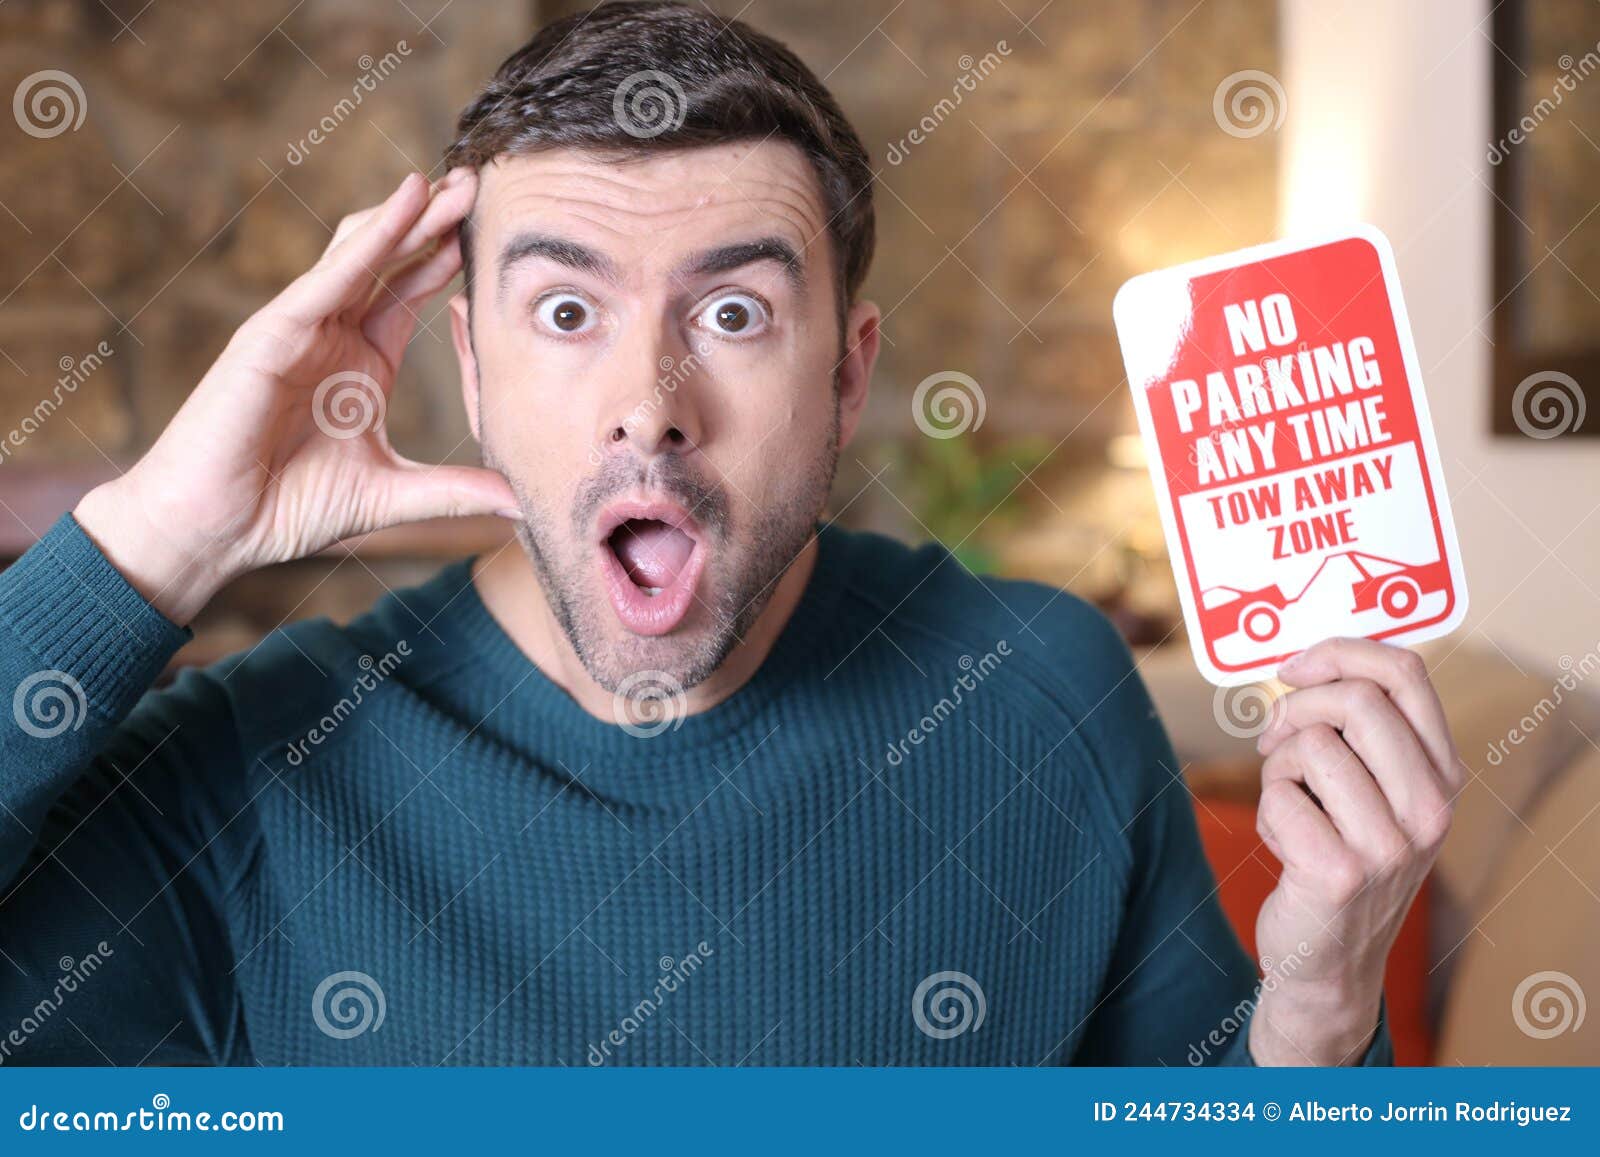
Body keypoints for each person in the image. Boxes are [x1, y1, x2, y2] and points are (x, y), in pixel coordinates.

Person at [0, 1, 1457, 1066]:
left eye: (735, 312)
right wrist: (149, 540)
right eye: (567, 313)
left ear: (848, 373)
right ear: (475, 370)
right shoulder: (257, 771)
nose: (650, 405)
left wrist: (1322, 1008)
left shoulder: (1043, 690)